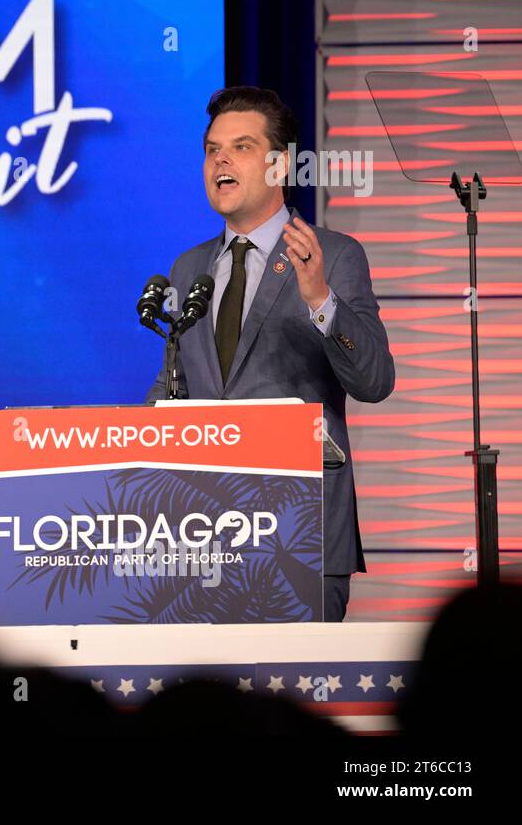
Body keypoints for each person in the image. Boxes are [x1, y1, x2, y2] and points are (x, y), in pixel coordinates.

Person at [146, 86, 395, 622]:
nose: (221, 161)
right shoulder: (190, 268)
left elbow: (374, 380)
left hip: (299, 533)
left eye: (241, 147)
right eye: (212, 150)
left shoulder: (334, 254)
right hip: (204, 539)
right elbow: (179, 386)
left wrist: (320, 301)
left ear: (281, 164)